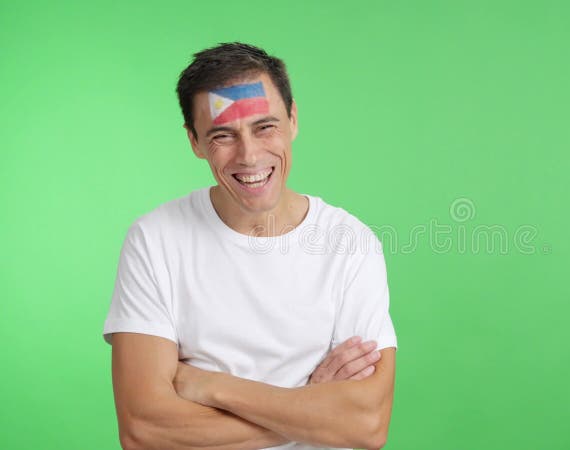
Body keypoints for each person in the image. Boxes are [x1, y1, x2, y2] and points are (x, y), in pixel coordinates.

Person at [102, 42, 398, 450]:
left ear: (293, 119)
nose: (250, 155)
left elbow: (366, 426)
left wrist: (210, 386)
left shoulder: (350, 243)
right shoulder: (154, 240)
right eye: (223, 135)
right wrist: (309, 405)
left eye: (265, 127)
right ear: (194, 141)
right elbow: (144, 431)